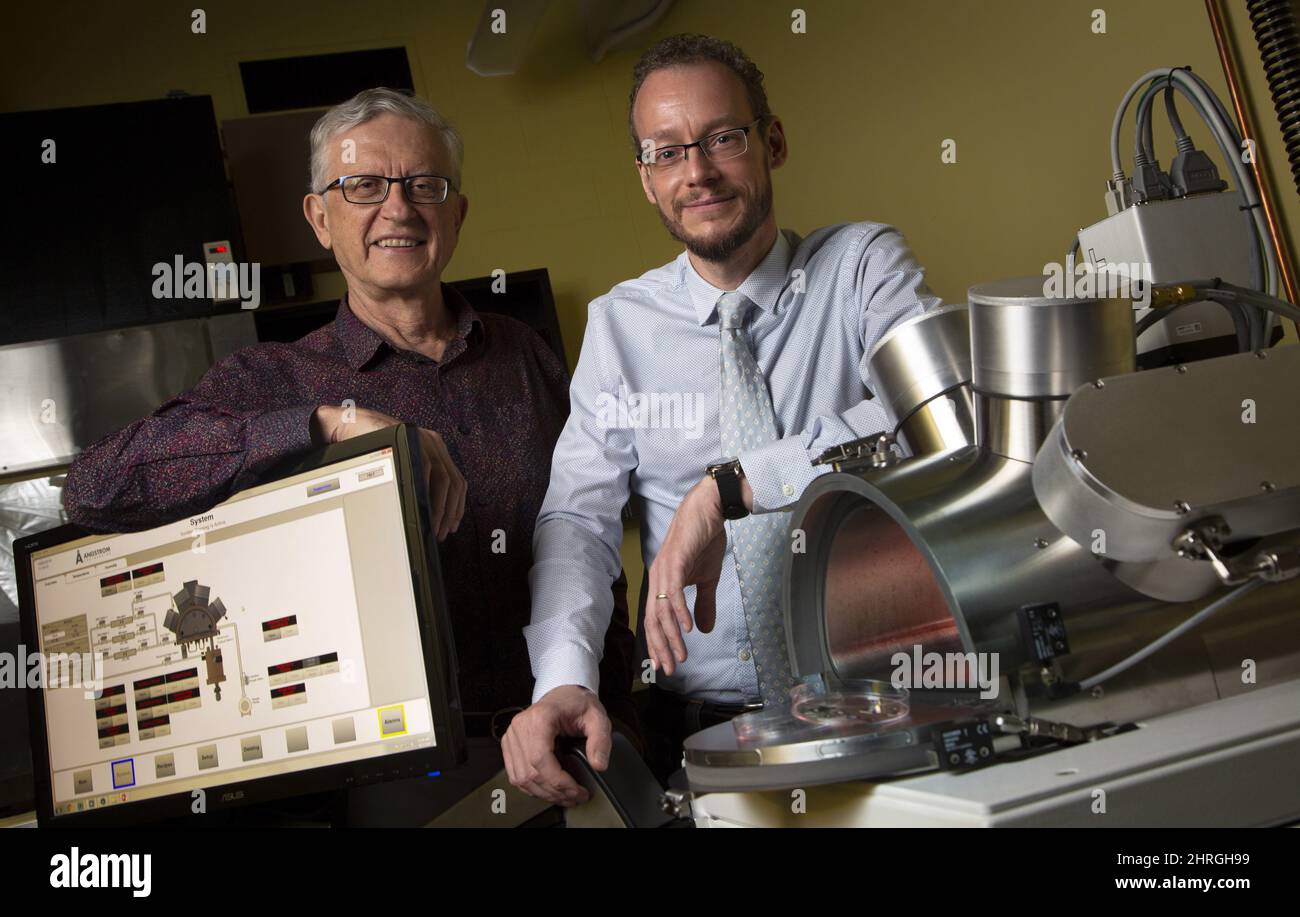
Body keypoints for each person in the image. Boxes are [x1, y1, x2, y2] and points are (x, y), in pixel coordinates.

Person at [62, 87, 637, 744]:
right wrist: (328, 425)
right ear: (319, 217)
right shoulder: (271, 380)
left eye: (425, 185)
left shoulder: (526, 355)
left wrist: (626, 712)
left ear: (458, 213)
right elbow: (95, 488)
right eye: (363, 185)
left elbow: (589, 535)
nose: (398, 207)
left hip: (583, 737)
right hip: (408, 775)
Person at [504, 34, 942, 802]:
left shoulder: (861, 268)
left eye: (723, 139)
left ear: (772, 141)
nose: (697, 172)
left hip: (889, 702)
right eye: (667, 152)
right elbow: (577, 519)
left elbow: (932, 411)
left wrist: (731, 489)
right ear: (645, 179)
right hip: (704, 733)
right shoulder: (620, 327)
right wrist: (562, 680)